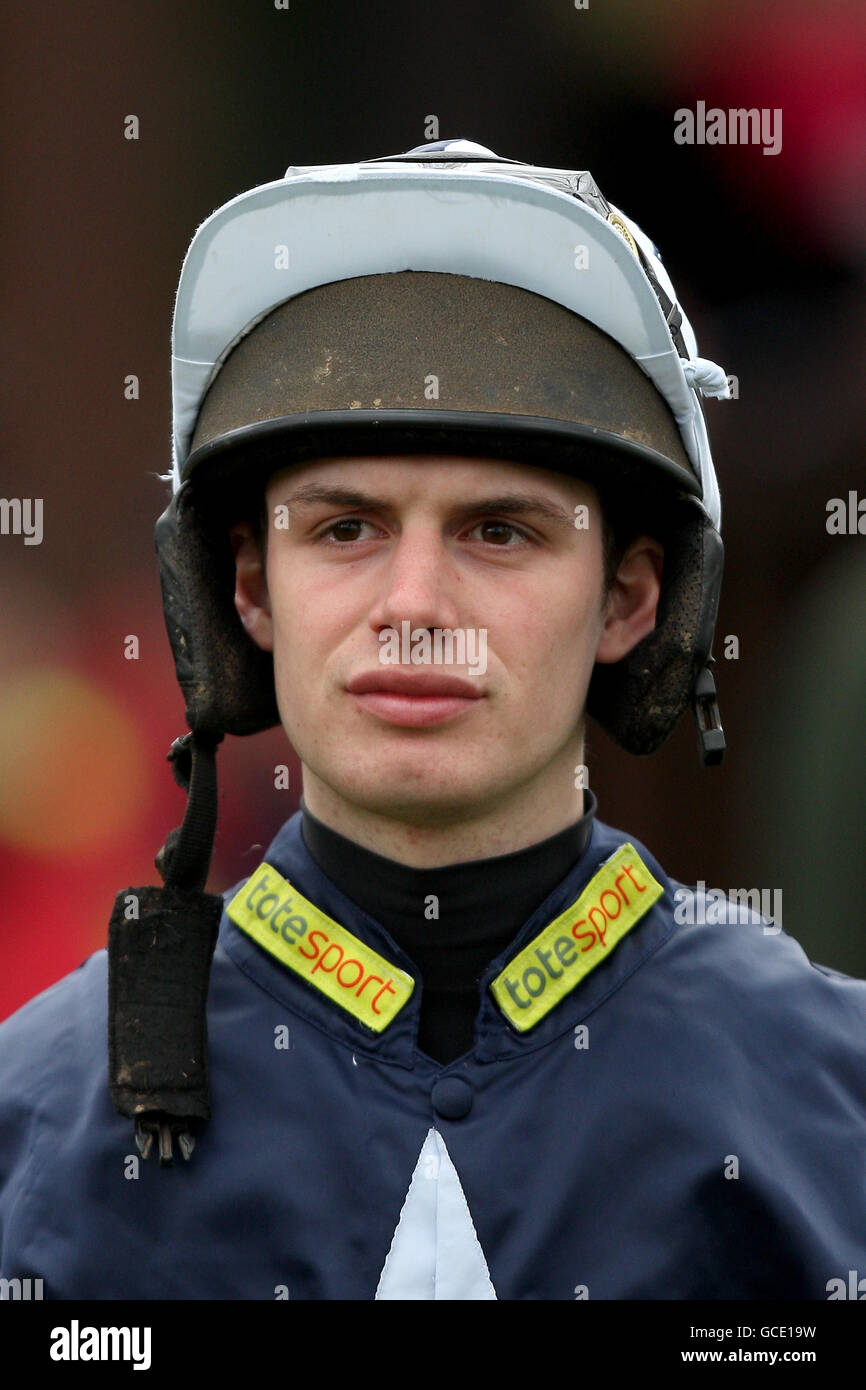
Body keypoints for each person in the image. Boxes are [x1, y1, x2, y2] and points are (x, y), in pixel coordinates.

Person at [1, 140, 864, 1302]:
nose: (413, 605)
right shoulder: (32, 1124)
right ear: (249, 593)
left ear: (628, 599)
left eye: (497, 531)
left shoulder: (833, 1103)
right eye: (344, 529)